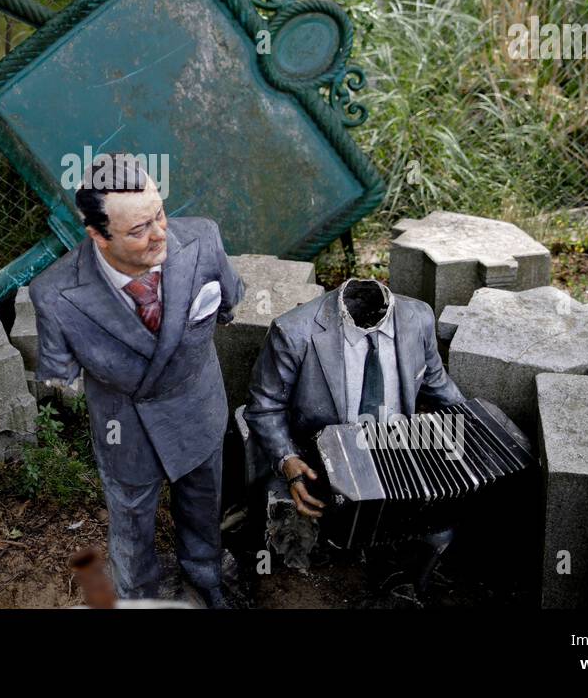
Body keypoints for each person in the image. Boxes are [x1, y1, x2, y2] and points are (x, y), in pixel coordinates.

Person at [29, 152, 245, 606]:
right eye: (138, 230)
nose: (161, 233)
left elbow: (228, 302)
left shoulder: (203, 238)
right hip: (125, 426)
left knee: (203, 501)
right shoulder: (55, 293)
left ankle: (205, 574)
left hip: (198, 406)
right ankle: (137, 594)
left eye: (160, 213)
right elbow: (58, 371)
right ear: (98, 236)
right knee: (132, 520)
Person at [244, 278, 464, 584]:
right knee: (307, 547)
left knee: (438, 532)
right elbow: (264, 407)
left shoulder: (419, 317)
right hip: (321, 460)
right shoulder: (293, 331)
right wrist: (288, 461)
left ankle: (400, 579)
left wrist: (474, 432)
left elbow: (439, 386)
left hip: (395, 452)